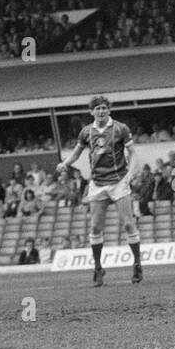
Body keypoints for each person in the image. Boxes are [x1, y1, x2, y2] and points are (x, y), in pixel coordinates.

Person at [57, 95, 144, 286]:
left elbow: (134, 154)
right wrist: (65, 163)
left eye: (104, 108)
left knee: (128, 224)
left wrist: (130, 175)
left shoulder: (121, 128)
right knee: (95, 227)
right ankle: (98, 268)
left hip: (118, 181)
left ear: (109, 110)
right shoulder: (87, 131)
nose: (101, 111)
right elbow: (77, 152)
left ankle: (137, 264)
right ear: (92, 112)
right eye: (97, 108)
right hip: (97, 183)